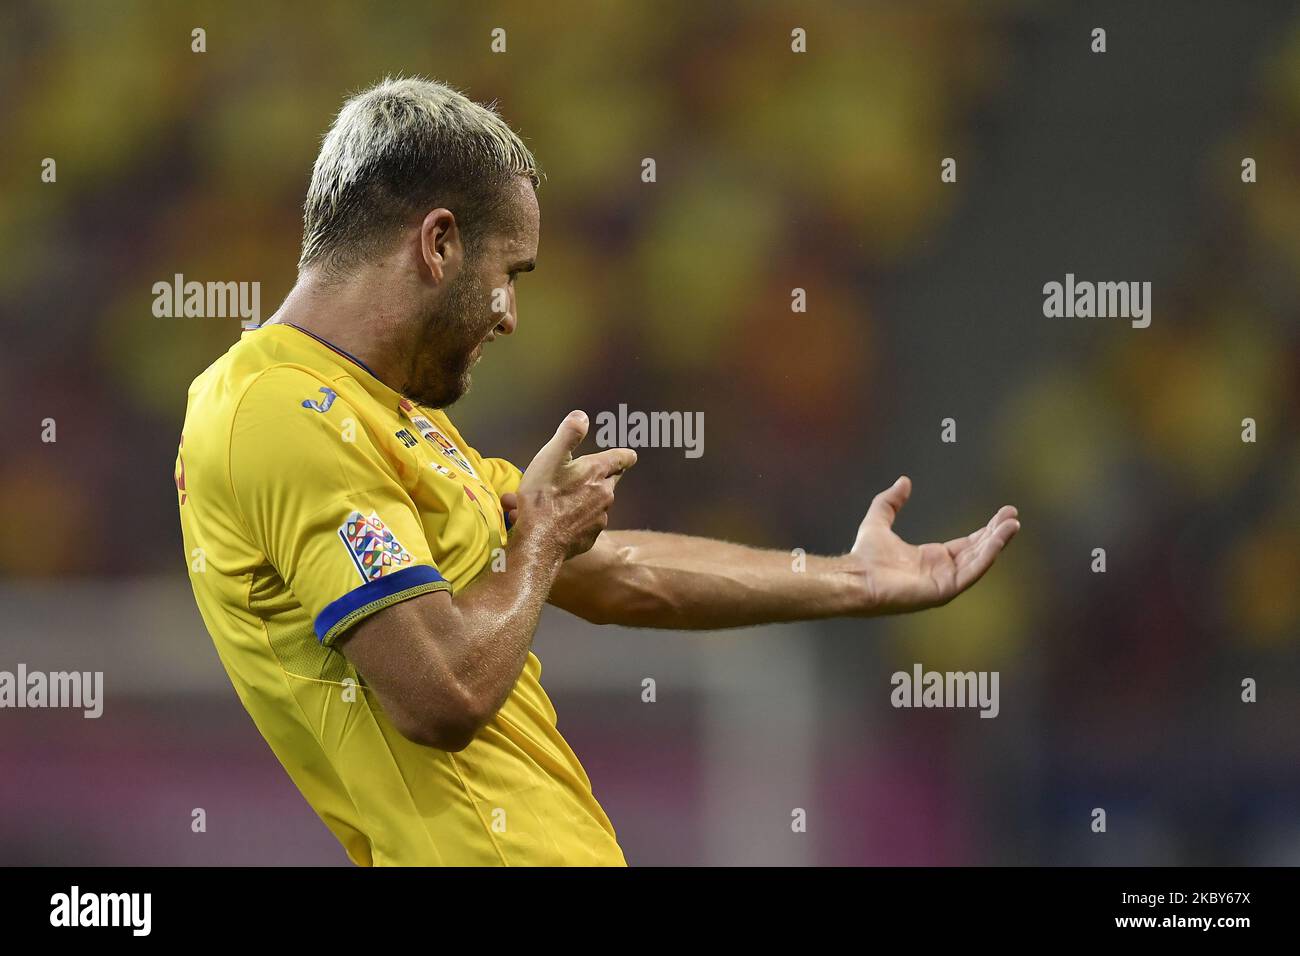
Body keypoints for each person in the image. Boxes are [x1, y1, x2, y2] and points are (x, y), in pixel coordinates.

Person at [175, 77, 1020, 866]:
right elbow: (441, 695)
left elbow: (616, 576)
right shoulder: (280, 412)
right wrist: (538, 544)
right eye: (510, 274)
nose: (510, 316)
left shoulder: (393, 417)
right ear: (438, 242)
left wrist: (852, 580)